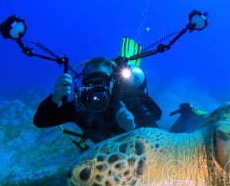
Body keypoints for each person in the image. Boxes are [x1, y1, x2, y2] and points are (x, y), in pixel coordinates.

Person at [33, 56, 163, 147]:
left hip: (134, 154)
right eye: (89, 83)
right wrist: (55, 98)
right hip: (108, 157)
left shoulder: (129, 100)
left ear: (112, 82)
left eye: (101, 81)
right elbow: (41, 121)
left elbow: (159, 138)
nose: (95, 89)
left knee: (179, 130)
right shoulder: (80, 107)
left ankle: (184, 114)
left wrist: (132, 129)